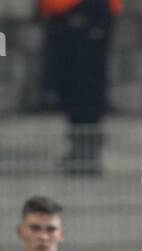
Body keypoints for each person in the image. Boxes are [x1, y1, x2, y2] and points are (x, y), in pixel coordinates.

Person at [40, 0, 120, 175]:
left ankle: (87, 159)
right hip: (74, 67)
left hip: (87, 72)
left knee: (87, 114)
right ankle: (81, 156)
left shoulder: (96, 10)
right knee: (78, 111)